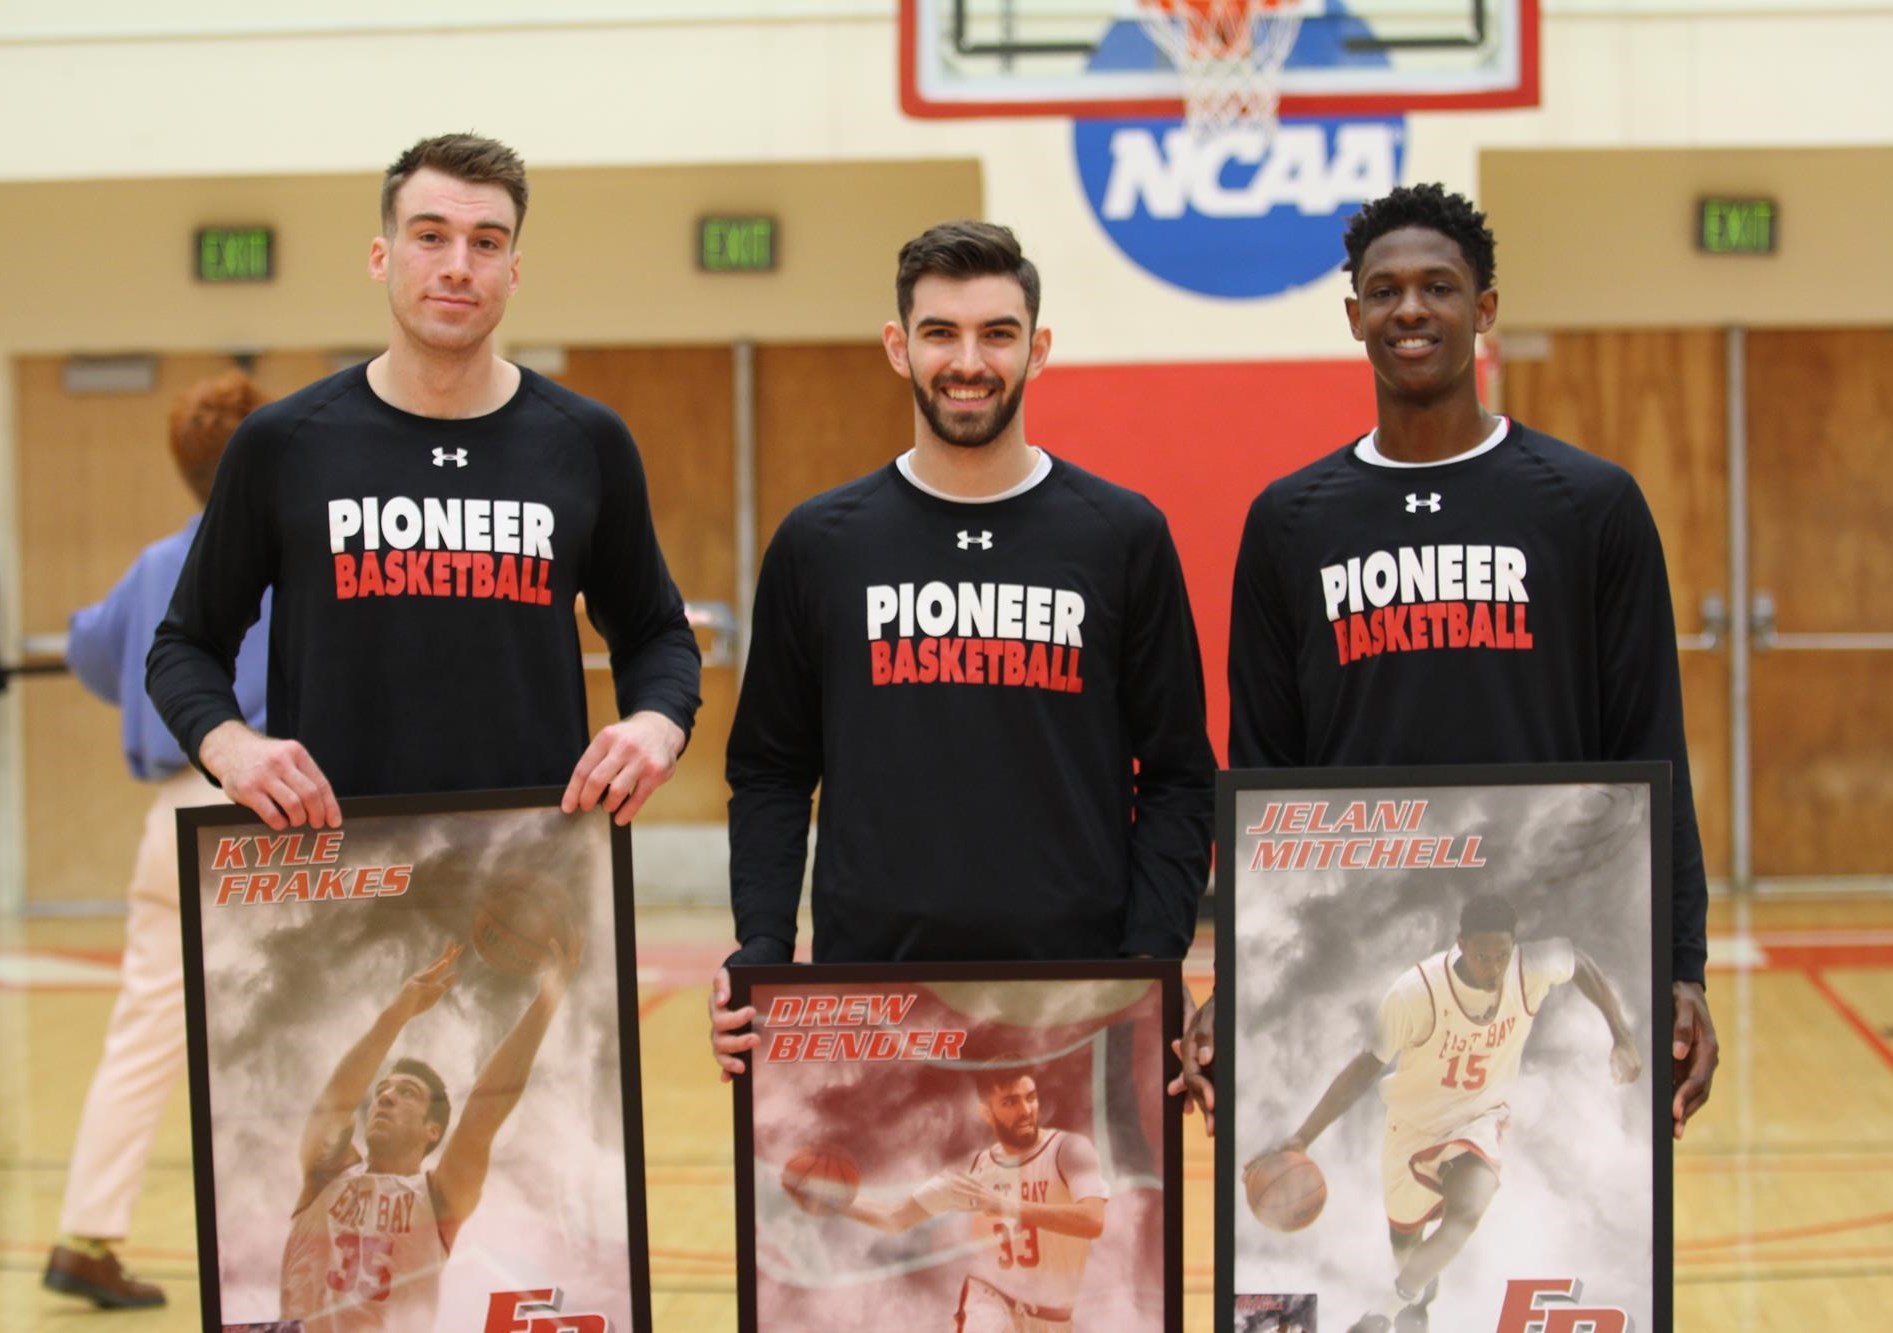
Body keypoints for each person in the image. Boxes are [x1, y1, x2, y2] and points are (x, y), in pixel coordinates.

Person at [1173, 184, 1717, 1142]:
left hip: (1539, 939)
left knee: (1549, 1219)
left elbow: (1650, 750)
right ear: (1353, 316)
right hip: (1362, 954)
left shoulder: (1588, 506)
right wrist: (1242, 982)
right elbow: (1260, 779)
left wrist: (1679, 968)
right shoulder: (1290, 523)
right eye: (1384, 291)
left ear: (1485, 309)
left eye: (1439, 286)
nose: (1410, 309)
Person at [709, 220, 1216, 1074]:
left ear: (1038, 348)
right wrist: (762, 945)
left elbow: (1176, 774)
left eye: (998, 334)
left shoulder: (1120, 536)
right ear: (898, 347)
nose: (968, 361)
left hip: (1077, 998)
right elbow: (770, 769)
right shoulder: (821, 543)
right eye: (940, 332)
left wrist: (1147, 967)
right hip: (869, 998)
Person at [147, 133, 699, 829]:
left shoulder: (586, 442)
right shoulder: (283, 443)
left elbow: (656, 632)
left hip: (529, 871)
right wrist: (230, 747)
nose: (458, 266)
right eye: (431, 237)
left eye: (487, 243)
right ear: (382, 257)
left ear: (514, 270)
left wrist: (657, 723)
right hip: (337, 863)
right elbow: (185, 645)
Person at [41, 372, 273, 1310]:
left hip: (171, 811)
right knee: (290, 1029)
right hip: (271, 814)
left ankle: (87, 1231)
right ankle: (281, 1246)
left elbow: (90, 650)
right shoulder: (291, 557)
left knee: (144, 1030)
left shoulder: (150, 565)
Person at [1252, 897, 1640, 1332]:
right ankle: (1416, 1303)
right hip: (1412, 1129)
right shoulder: (1415, 994)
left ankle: (1384, 1309)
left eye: (1501, 955)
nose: (1493, 967)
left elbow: (1579, 961)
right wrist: (1304, 1137)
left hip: (1480, 1119)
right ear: (1461, 944)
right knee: (1409, 1250)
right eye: (1482, 956)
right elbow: (1364, 1066)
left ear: (1513, 947)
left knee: (1467, 1211)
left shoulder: (1528, 969)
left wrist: (1621, 1036)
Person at [279, 938, 578, 1331]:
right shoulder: (326, 1175)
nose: (385, 1098)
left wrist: (544, 1004)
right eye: (382, 1092)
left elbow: (480, 1119)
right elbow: (335, 1103)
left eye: (406, 1093)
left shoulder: (437, 1199)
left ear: (431, 1130)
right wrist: (395, 1016)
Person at [831, 1063, 1108, 1332]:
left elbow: (1092, 1221)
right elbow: (895, 1217)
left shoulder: (1068, 1151)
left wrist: (1006, 1205)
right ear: (987, 1113)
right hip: (991, 1301)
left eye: (1031, 1098)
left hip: (1053, 1319)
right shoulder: (974, 1169)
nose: (1026, 1111)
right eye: (1010, 1103)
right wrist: (834, 1201)